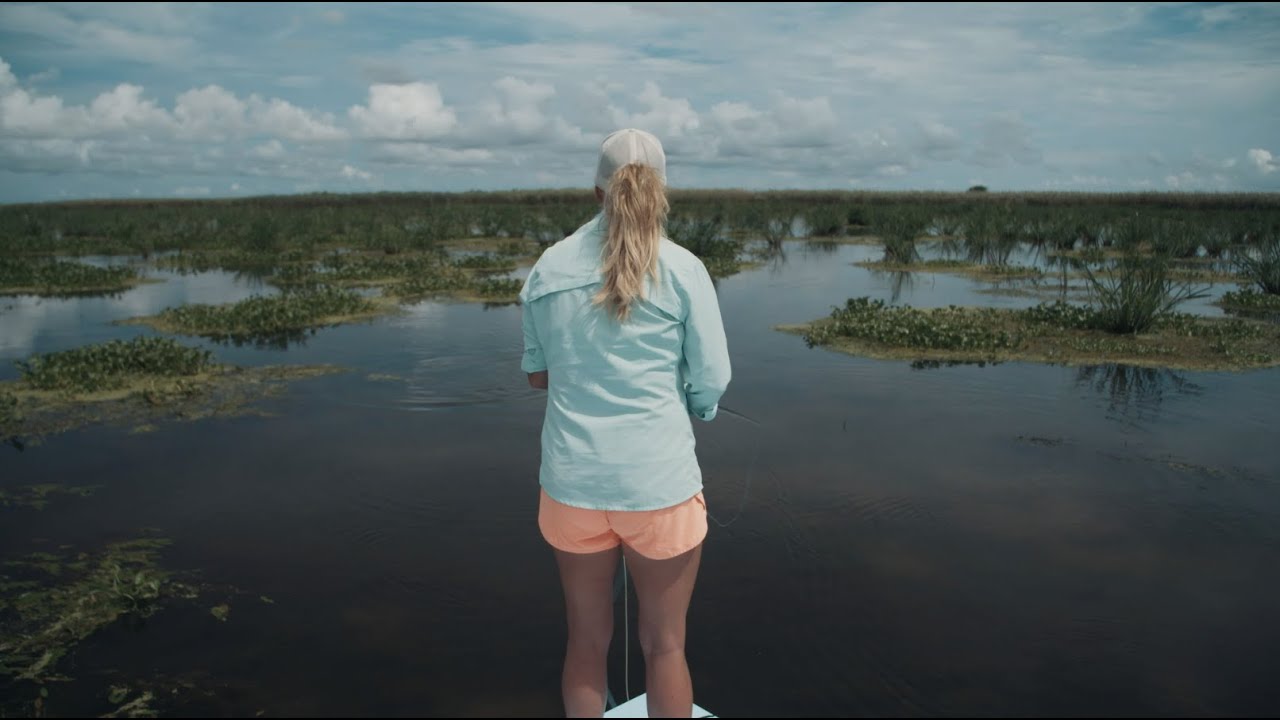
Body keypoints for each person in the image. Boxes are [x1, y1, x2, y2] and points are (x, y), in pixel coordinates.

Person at [519, 128, 731, 718]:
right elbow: (711, 379)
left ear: (596, 193)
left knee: (585, 643)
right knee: (665, 647)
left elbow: (537, 377)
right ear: (660, 192)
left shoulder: (547, 268)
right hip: (659, 486)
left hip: (572, 487)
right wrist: (697, 406)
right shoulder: (685, 270)